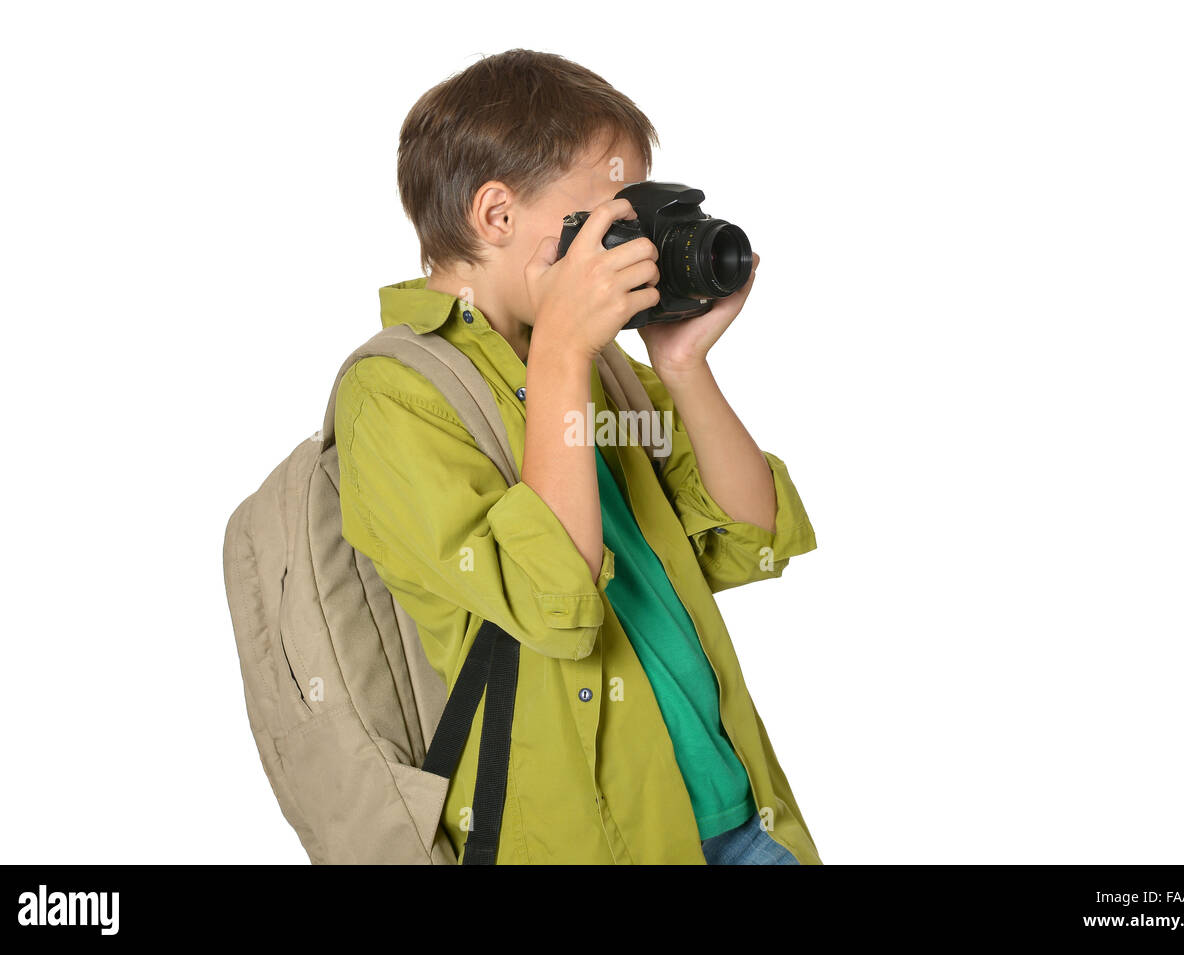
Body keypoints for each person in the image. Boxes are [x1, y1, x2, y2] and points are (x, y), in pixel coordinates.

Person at [335, 48, 821, 864]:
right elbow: (553, 599)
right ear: (496, 216)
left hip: (738, 812)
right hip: (597, 839)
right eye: (608, 222)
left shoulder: (601, 367)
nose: (632, 248)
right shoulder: (392, 393)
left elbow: (749, 537)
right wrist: (561, 350)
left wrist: (681, 365)